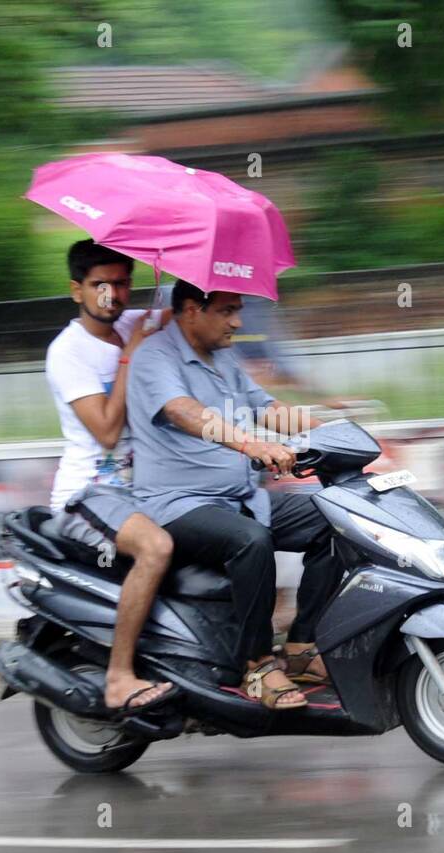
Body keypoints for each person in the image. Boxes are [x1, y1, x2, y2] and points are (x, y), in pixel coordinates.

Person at [127, 281, 341, 709]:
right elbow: (183, 411)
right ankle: (258, 666)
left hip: (242, 496)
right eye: (226, 311)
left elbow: (267, 408)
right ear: (191, 310)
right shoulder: (155, 357)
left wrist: (334, 430)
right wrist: (252, 445)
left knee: (336, 518)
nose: (238, 322)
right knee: (250, 540)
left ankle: (300, 647)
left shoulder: (225, 357)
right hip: (179, 504)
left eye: (238, 310)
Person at [44, 239, 177, 716]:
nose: (113, 296)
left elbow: (187, 324)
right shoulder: (68, 352)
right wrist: (129, 358)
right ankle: (119, 677)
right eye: (101, 285)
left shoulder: (132, 325)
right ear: (76, 290)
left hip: (145, 489)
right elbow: (105, 430)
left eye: (122, 284)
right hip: (90, 494)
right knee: (156, 547)